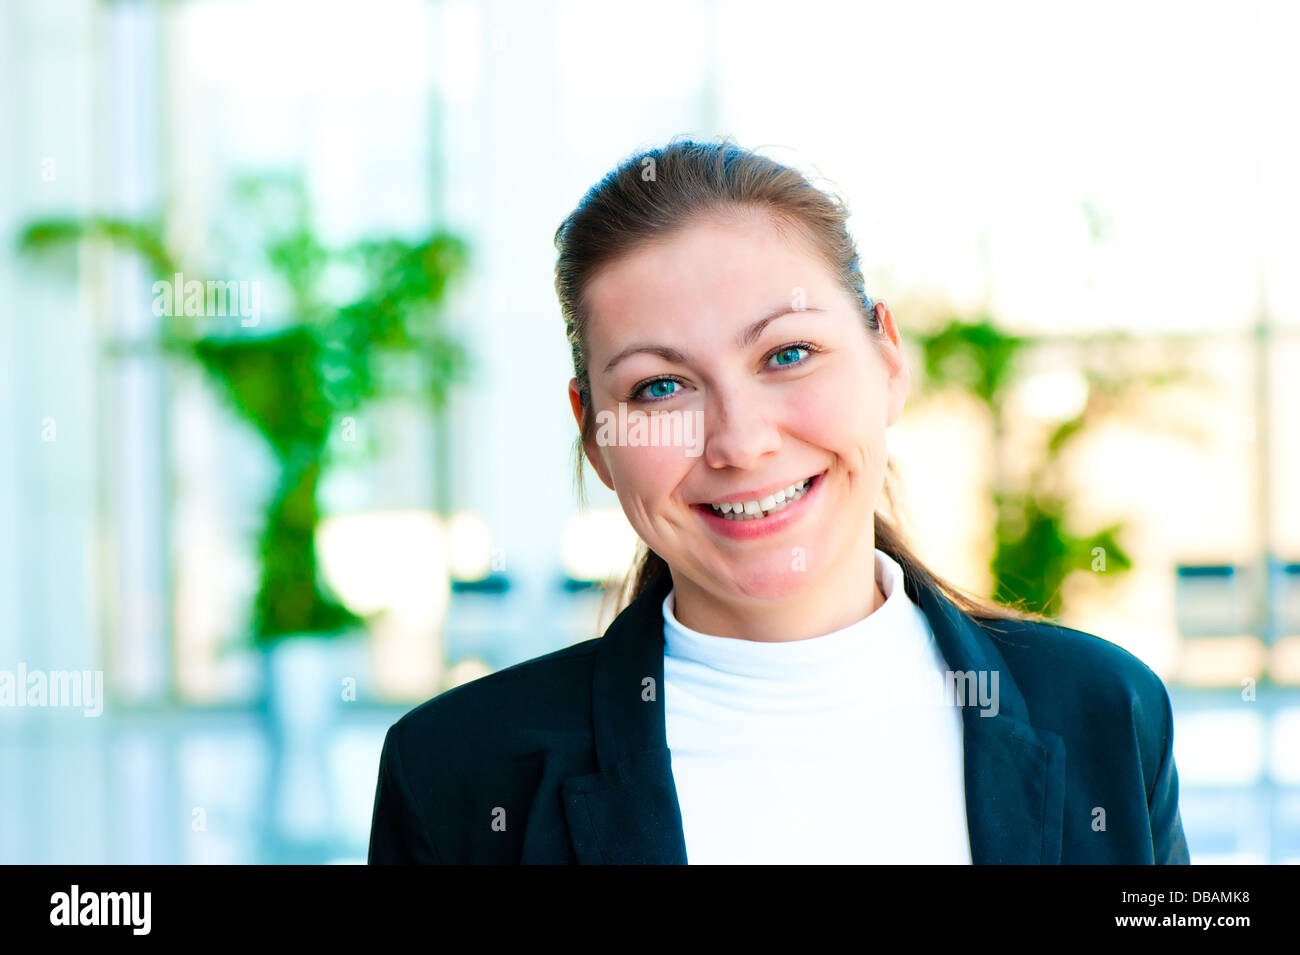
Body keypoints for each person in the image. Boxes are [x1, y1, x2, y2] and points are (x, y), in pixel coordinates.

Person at [368, 136, 1190, 864]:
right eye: (661, 387)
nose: (740, 441)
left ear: (887, 360)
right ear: (597, 436)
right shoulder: (455, 778)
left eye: (788, 352)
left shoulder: (1104, 712)